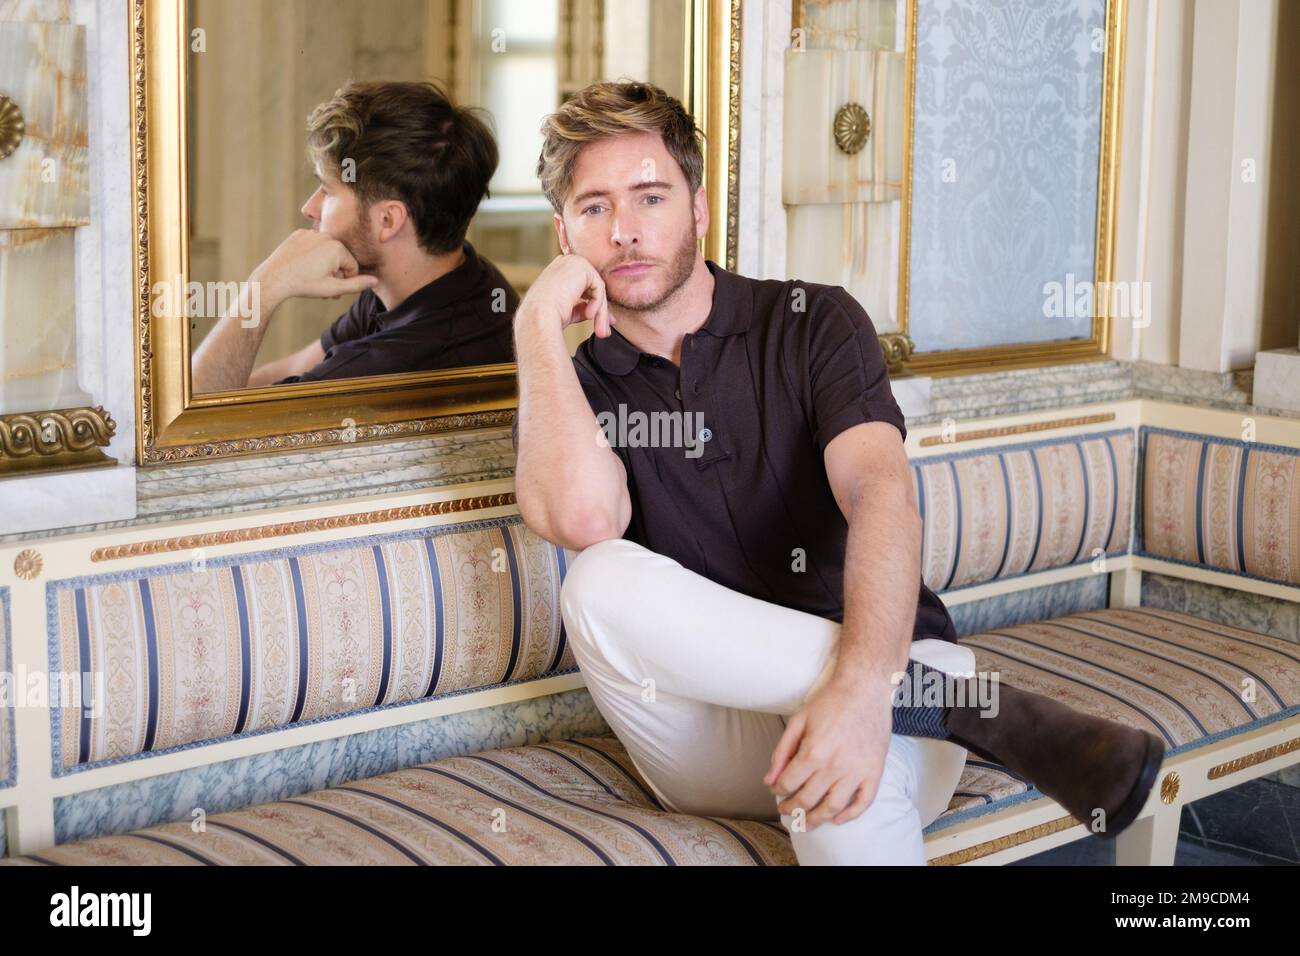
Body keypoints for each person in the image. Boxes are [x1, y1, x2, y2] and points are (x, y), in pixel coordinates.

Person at [511, 80, 1164, 865]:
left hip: (886, 676)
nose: (624, 232)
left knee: (838, 789)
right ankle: (969, 709)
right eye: (594, 209)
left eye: (650, 197)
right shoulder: (573, 389)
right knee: (597, 581)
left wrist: (860, 688)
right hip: (706, 730)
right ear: (564, 236)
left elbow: (880, 496)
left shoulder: (813, 322)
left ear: (698, 208)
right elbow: (585, 524)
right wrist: (535, 328)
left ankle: (903, 697)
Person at [192, 81, 517, 392]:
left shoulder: (385, 367)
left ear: (387, 220)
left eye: (327, 191)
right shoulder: (460, 280)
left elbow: (190, 425)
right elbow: (287, 370)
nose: (309, 207)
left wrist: (262, 290)